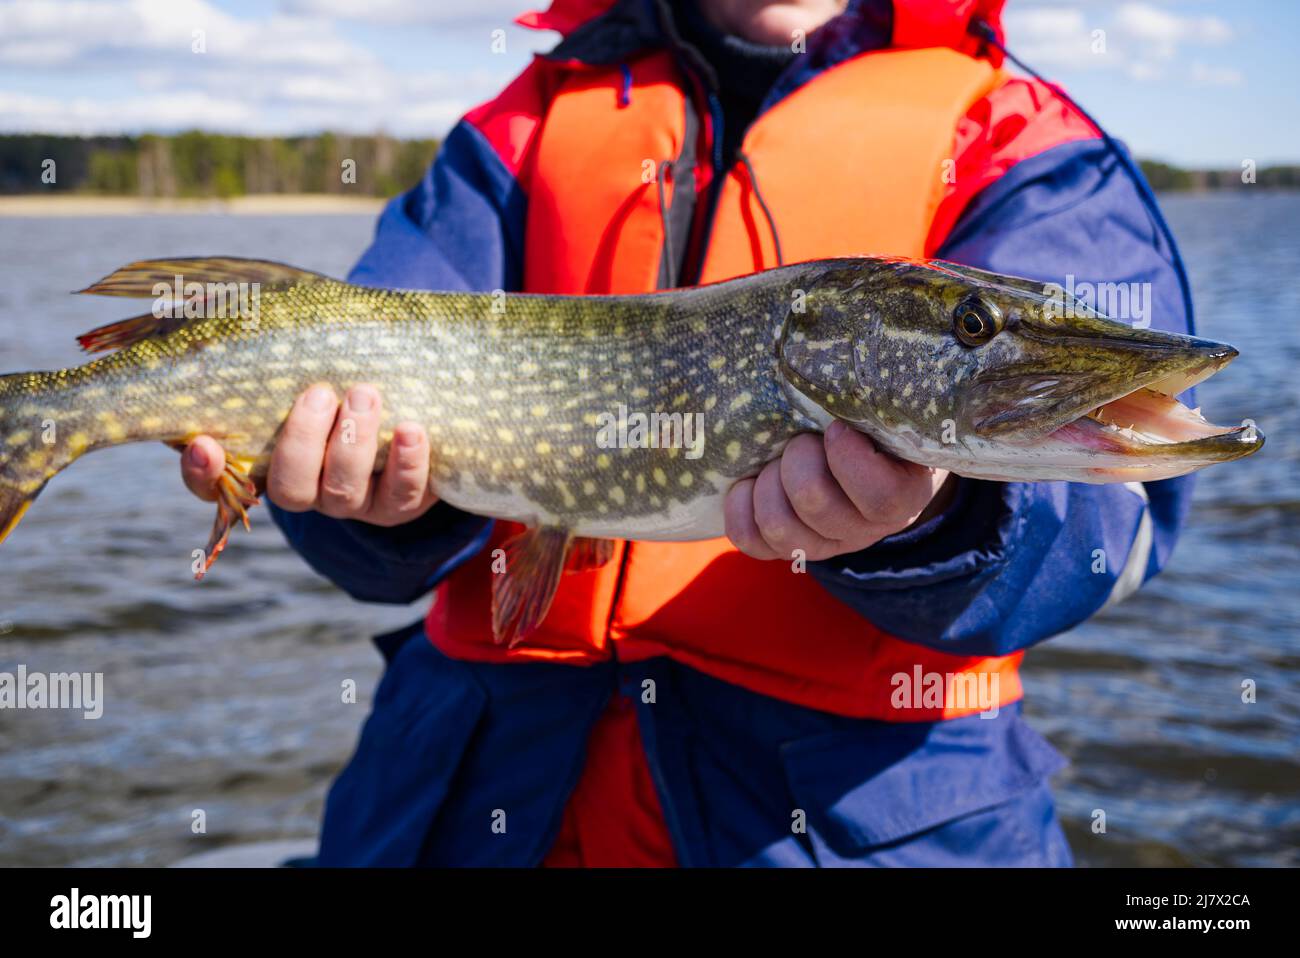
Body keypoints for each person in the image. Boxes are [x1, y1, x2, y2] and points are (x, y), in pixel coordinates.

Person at [180, 0, 1194, 867]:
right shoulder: (516, 133)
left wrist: (936, 523)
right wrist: (375, 510)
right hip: (466, 801)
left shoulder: (1025, 144)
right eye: (969, 331)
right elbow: (347, 440)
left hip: (855, 825)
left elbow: (1114, 526)